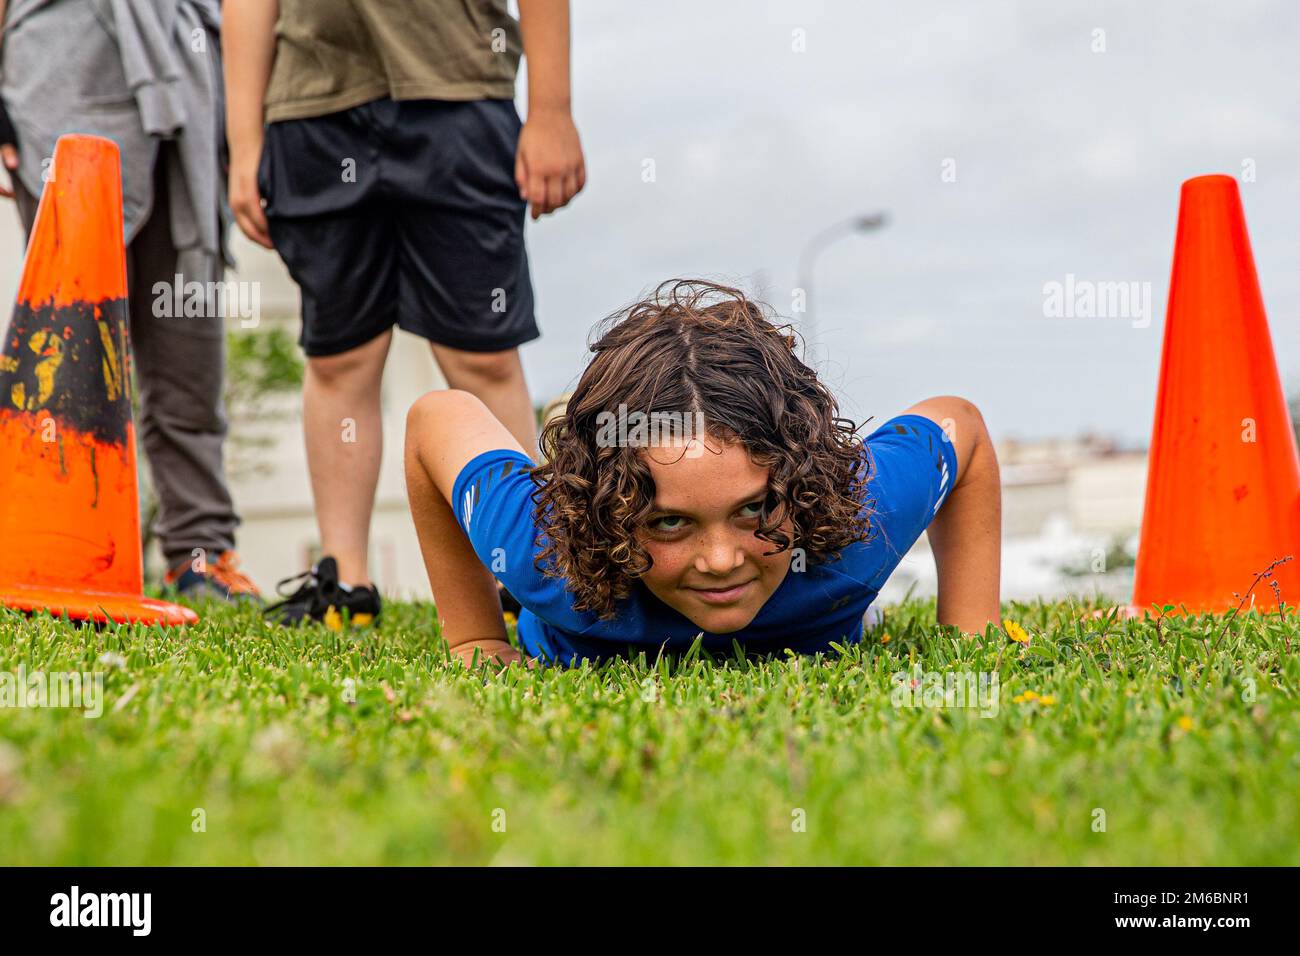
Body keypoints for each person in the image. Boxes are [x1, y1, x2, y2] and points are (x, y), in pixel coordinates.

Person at [404, 280, 1004, 668]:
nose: (720, 560)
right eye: (668, 522)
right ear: (603, 517)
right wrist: (475, 638)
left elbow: (960, 425)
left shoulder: (858, 522)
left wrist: (970, 631)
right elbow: (436, 419)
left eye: (753, 509)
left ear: (803, 484)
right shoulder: (544, 553)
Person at [224, 0, 584, 627]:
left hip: (461, 87)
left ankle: (529, 569)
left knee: (483, 352)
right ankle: (345, 583)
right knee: (340, 356)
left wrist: (552, 111)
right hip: (312, 105)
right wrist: (244, 143)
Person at [0, 0, 260, 603]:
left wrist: (242, 125)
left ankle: (199, 555)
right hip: (59, 85)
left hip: (188, 97)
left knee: (188, 352)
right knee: (66, 348)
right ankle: (57, 548)